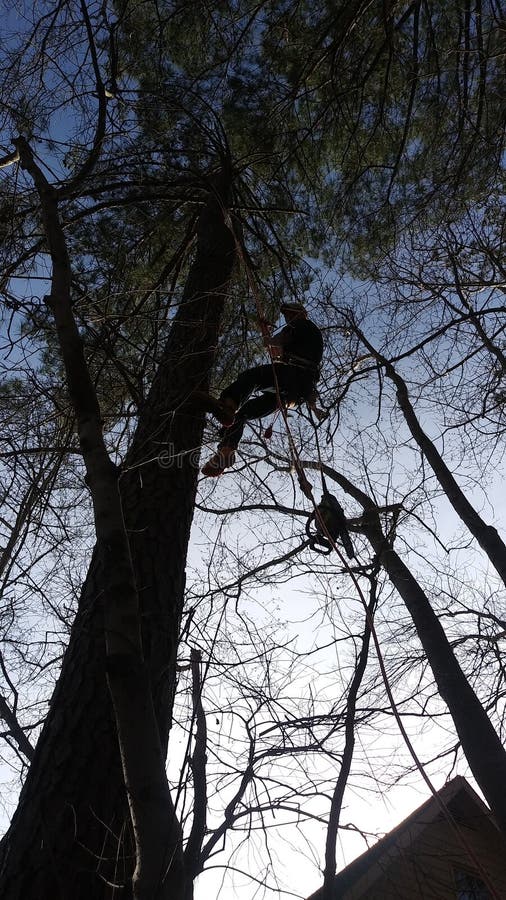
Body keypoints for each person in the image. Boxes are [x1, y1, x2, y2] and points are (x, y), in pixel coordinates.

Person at [201, 301, 324, 476]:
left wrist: (265, 331)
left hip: (293, 376)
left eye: (289, 314)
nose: (287, 318)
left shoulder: (300, 325)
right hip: (295, 395)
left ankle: (229, 404)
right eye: (286, 315)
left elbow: (273, 346)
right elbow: (275, 352)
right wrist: (265, 332)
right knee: (243, 414)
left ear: (300, 313)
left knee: (251, 377)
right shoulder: (309, 333)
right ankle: (227, 450)